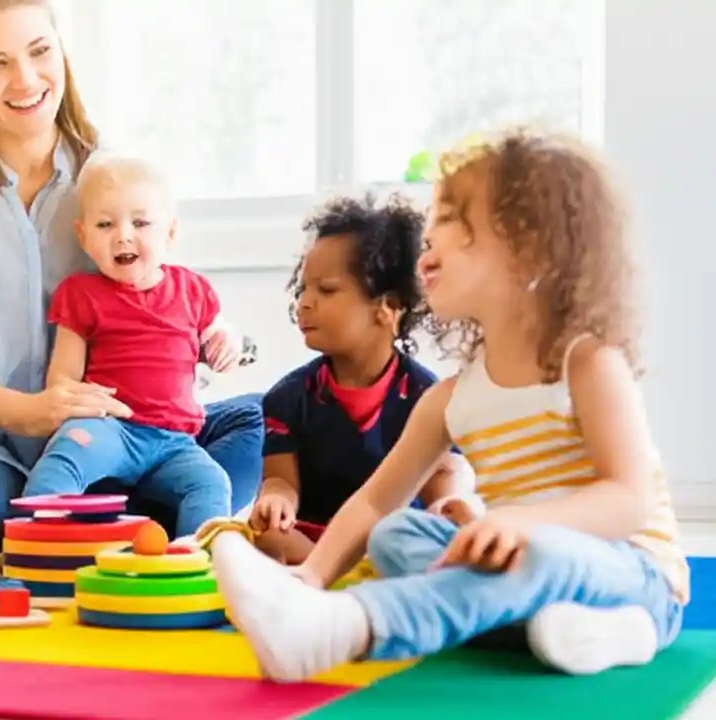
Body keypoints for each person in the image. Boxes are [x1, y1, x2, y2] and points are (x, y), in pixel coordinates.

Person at [211, 128, 689, 682]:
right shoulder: (449, 398)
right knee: (397, 537)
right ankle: (578, 631)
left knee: (547, 556)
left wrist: (522, 524)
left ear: (529, 249)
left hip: (634, 571)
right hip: (534, 563)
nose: (428, 235)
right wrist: (312, 575)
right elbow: (374, 504)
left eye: (450, 217)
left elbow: (627, 501)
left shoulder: (587, 364)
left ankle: (345, 627)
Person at [0, 0, 263, 571]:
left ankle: (107, 524)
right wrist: (28, 413)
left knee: (265, 419)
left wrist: (220, 339)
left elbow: (170, 296)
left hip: (123, 438)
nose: (26, 80)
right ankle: (122, 527)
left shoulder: (110, 176)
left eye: (40, 52)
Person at [251, 194, 479, 565]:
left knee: (428, 539)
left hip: (393, 536)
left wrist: (448, 504)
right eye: (302, 289)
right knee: (270, 537)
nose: (304, 303)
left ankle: (343, 584)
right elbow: (280, 479)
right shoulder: (287, 398)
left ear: (388, 308)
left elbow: (445, 470)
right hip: (316, 537)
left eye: (325, 290)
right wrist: (275, 500)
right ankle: (337, 580)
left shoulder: (426, 395)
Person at [20, 153, 238, 537]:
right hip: (110, 429)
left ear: (170, 233)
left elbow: (220, 335)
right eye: (105, 224)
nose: (122, 235)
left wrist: (227, 340)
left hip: (173, 440)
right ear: (84, 236)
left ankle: (191, 566)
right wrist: (77, 405)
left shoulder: (193, 289)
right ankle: (30, 548)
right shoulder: (80, 294)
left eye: (140, 222)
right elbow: (63, 379)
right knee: (63, 460)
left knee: (211, 483)